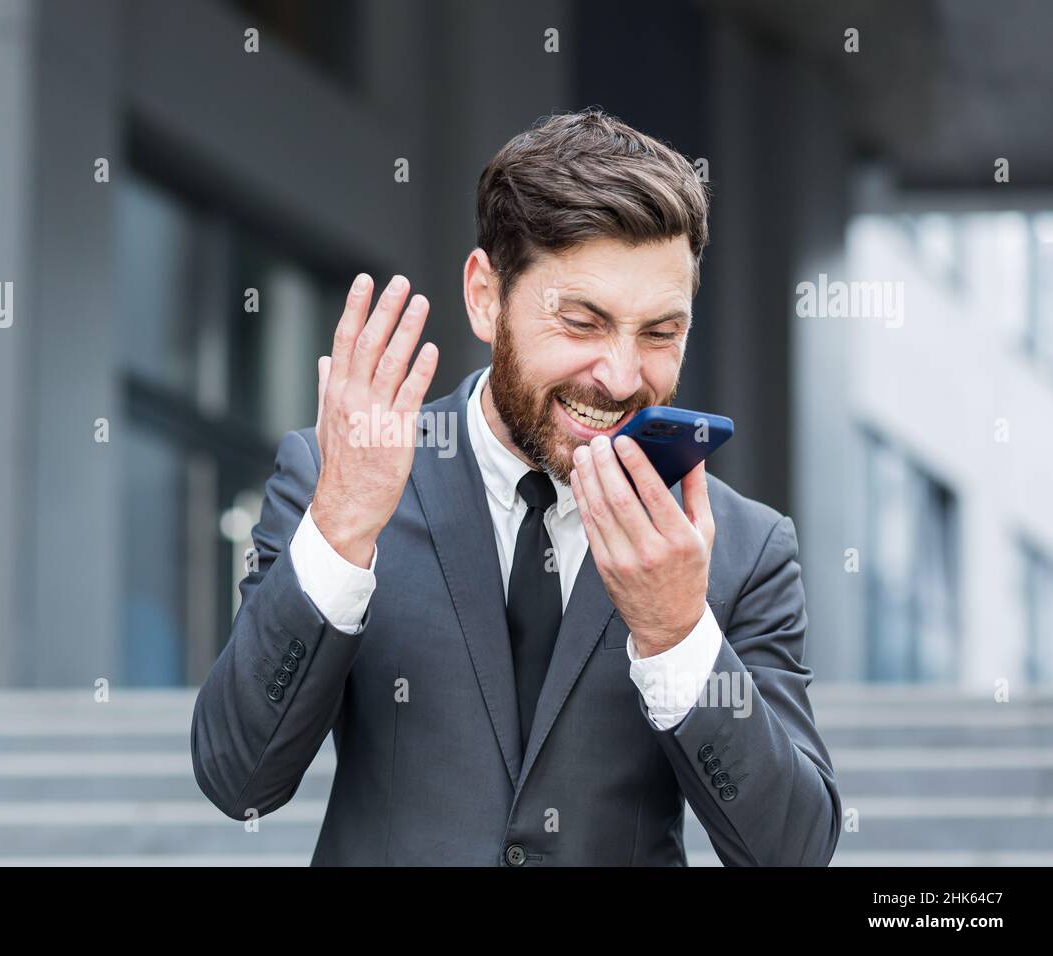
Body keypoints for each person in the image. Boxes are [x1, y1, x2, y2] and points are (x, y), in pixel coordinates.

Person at [191, 109, 841, 866]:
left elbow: (791, 852)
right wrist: (340, 528)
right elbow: (238, 778)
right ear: (485, 297)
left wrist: (676, 635)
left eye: (660, 333)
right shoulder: (335, 478)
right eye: (582, 321)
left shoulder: (745, 546)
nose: (623, 377)